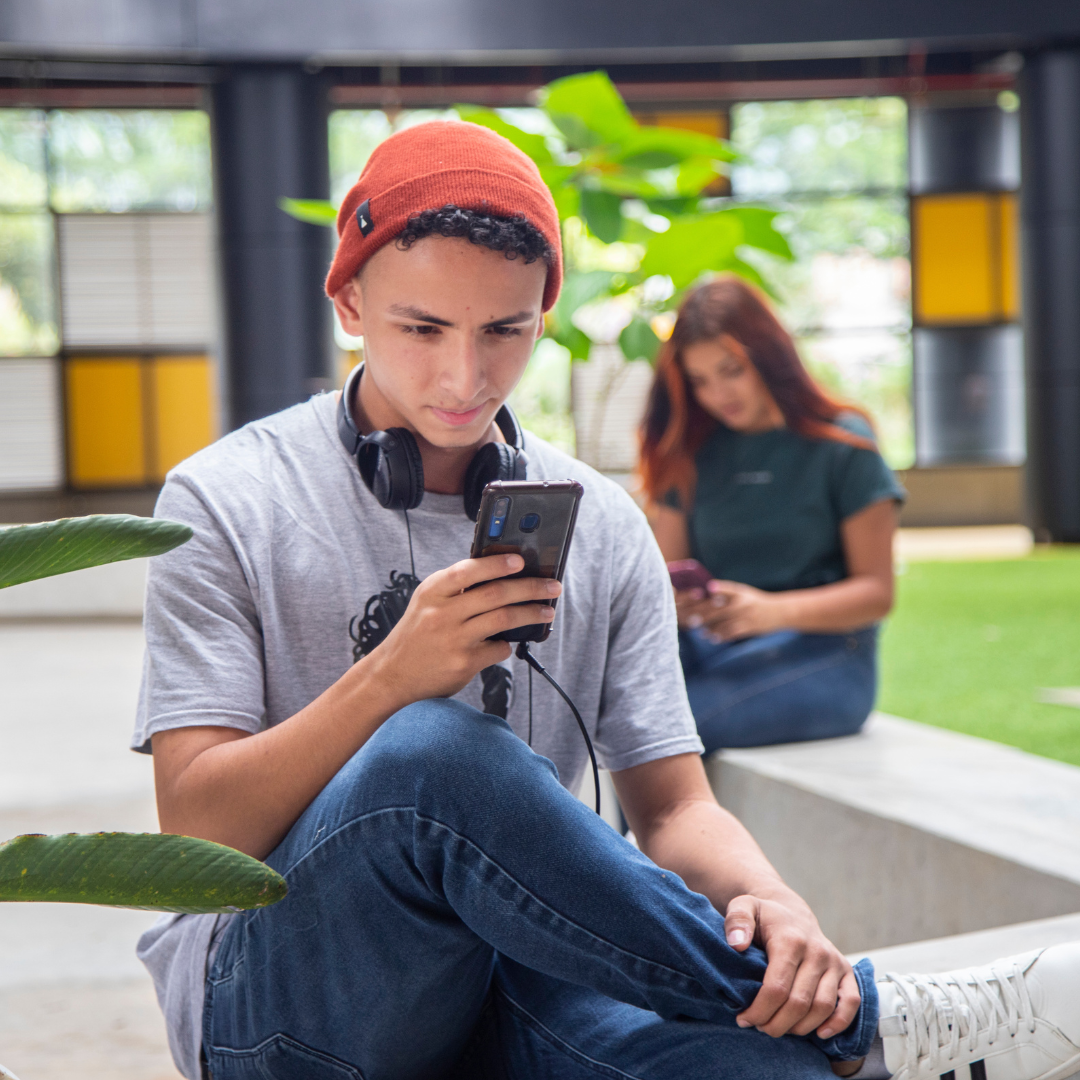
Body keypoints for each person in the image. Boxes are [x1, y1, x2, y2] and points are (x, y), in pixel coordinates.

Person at [132, 120, 1080, 1080]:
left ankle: (832, 1034)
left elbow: (671, 808)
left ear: (543, 312)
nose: (465, 378)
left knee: (764, 1070)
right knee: (433, 753)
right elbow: (201, 833)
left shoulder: (605, 523)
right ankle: (862, 1022)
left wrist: (772, 899)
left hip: (518, 979)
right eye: (422, 329)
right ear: (349, 301)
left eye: (504, 331)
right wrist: (390, 678)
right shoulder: (226, 499)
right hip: (287, 1003)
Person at [638, 277, 906, 754]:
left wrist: (769, 612)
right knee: (614, 704)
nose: (718, 393)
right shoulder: (690, 452)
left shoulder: (844, 444)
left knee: (665, 729)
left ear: (768, 355)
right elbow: (665, 582)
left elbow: (877, 594)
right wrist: (685, 605)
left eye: (731, 370)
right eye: (700, 381)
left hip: (825, 655)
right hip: (710, 646)